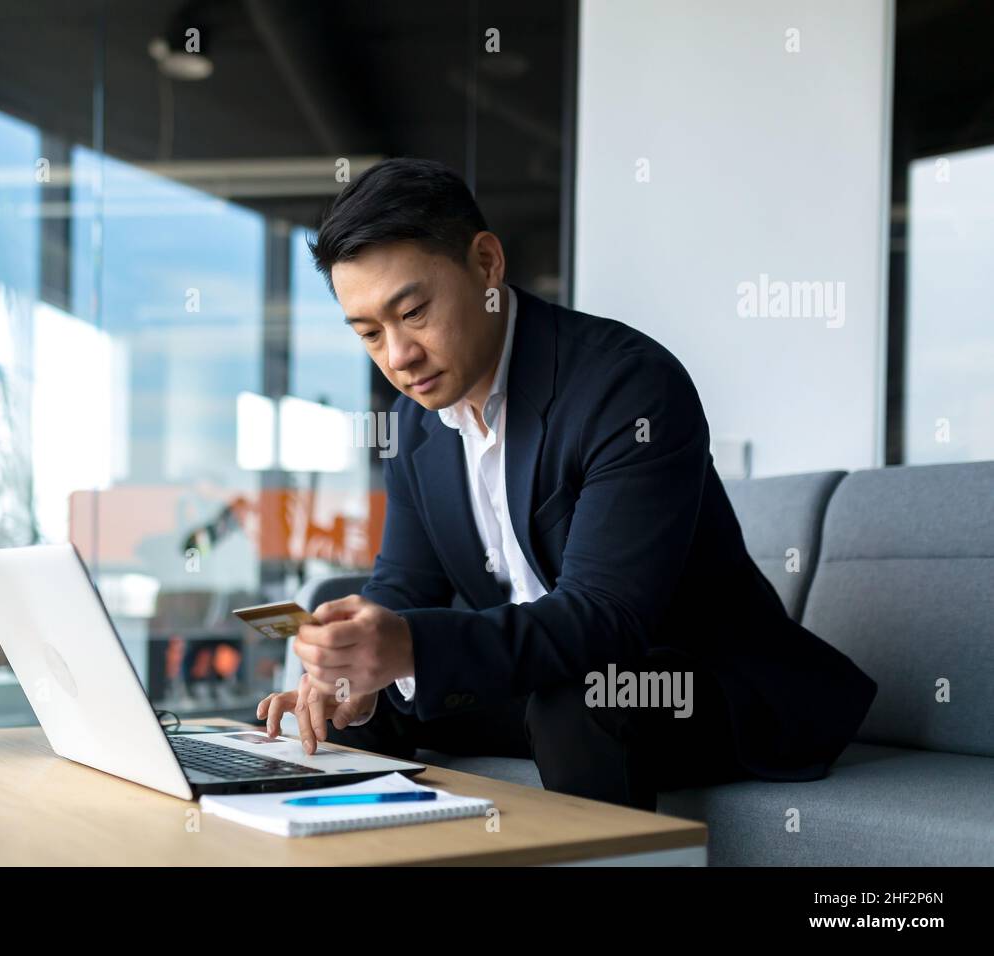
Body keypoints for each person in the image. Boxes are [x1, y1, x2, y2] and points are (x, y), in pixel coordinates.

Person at [255, 158, 876, 811]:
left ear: (486, 264)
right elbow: (405, 584)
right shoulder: (415, 424)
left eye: (413, 312)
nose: (398, 356)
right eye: (369, 334)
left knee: (580, 694)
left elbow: (607, 618)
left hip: (695, 686)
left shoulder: (627, 387)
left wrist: (409, 645)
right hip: (544, 683)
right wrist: (348, 662)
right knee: (356, 708)